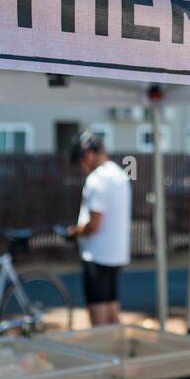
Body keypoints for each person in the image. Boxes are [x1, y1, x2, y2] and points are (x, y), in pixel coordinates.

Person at [64, 131, 131, 327]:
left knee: (99, 322)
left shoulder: (97, 179)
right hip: (116, 254)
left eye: (80, 161)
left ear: (88, 154)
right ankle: (120, 354)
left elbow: (95, 224)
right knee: (112, 312)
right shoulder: (119, 175)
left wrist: (75, 232)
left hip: (97, 255)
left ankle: (106, 355)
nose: (82, 167)